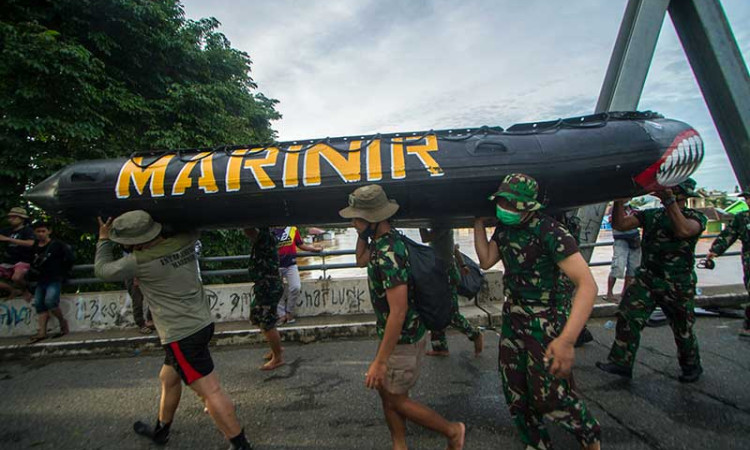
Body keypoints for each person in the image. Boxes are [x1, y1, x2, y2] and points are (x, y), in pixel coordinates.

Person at [94, 211, 253, 449]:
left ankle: (240, 444)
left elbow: (102, 270)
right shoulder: (185, 240)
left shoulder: (138, 262)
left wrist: (104, 239)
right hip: (202, 324)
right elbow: (192, 224)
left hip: (181, 334)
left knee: (210, 392)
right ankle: (161, 431)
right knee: (168, 378)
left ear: (133, 242)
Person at [474, 174, 601, 450]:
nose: (504, 208)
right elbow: (486, 260)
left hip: (546, 321)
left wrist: (567, 340)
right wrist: (478, 224)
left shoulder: (551, 232)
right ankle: (535, 445)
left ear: (529, 206)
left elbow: (588, 285)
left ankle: (590, 436)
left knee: (549, 397)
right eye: (501, 202)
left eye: (511, 204)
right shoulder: (505, 229)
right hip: (513, 317)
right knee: (515, 393)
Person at [339, 184, 465, 450]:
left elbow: (398, 312)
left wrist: (380, 361)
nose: (352, 222)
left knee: (395, 399)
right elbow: (361, 260)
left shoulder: (388, 254)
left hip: (403, 337)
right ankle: (399, 443)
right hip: (397, 335)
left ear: (373, 219)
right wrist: (364, 232)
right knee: (388, 394)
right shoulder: (386, 240)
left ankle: (452, 431)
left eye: (357, 217)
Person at [596, 178, 707, 383]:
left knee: (682, 327)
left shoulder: (696, 217)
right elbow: (620, 224)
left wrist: (669, 202)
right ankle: (622, 363)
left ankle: (691, 365)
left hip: (677, 282)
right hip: (647, 278)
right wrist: (619, 200)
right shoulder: (652, 215)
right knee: (628, 315)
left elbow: (683, 230)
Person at [418, 227, 483, 356]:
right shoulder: (440, 223)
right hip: (438, 271)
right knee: (435, 310)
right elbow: (452, 247)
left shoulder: (443, 223)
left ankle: (475, 335)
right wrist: (463, 264)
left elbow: (426, 238)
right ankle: (440, 347)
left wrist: (419, 222)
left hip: (446, 273)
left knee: (452, 314)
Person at [707, 186, 750, 339]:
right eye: (746, 199)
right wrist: (715, 251)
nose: (748, 201)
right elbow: (728, 235)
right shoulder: (742, 218)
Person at [245, 227, 285, 370]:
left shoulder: (265, 238)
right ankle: (276, 348)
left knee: (267, 322)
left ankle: (278, 357)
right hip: (265, 286)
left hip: (268, 287)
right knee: (256, 315)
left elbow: (249, 231)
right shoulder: (264, 237)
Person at [552, 212, 594, 347]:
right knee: (564, 304)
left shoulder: (558, 230)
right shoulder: (568, 225)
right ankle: (579, 332)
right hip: (563, 274)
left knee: (560, 306)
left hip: (562, 275)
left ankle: (574, 335)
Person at [27, 221, 72, 343]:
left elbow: (68, 258)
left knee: (50, 302)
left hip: (55, 277)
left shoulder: (57, 245)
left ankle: (62, 323)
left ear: (48, 231)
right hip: (41, 279)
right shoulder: (35, 247)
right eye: (38, 231)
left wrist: (64, 273)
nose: (41, 234)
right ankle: (42, 332)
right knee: (40, 305)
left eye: (43, 231)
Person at [271, 226, 323, 324]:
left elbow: (300, 244)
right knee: (278, 290)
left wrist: (314, 249)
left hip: (291, 264)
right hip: (275, 265)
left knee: (295, 287)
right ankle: (281, 315)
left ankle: (289, 312)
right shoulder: (271, 229)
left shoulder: (292, 229)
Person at [606, 202, 642, 301]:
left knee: (633, 268)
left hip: (634, 240)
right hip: (621, 240)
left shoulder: (634, 209)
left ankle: (624, 293)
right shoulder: (614, 210)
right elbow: (612, 222)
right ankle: (609, 293)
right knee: (618, 266)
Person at [0, 207, 35, 299]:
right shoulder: (6, 230)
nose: (11, 219)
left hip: (23, 260)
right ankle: (12, 290)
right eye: (10, 217)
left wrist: (9, 239)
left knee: (17, 277)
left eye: (14, 217)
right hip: (7, 261)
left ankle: (25, 291)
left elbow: (31, 243)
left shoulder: (27, 230)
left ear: (22, 219)